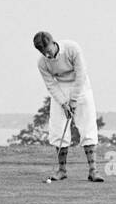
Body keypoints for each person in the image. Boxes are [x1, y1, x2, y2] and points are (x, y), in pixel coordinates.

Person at [33, 31, 103, 183]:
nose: (48, 55)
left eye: (49, 51)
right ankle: (61, 170)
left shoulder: (72, 48)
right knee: (58, 130)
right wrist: (64, 103)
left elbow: (81, 74)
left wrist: (74, 100)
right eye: (44, 53)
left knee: (87, 127)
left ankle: (93, 171)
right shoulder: (42, 63)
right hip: (61, 90)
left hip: (82, 87)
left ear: (53, 42)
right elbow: (50, 85)